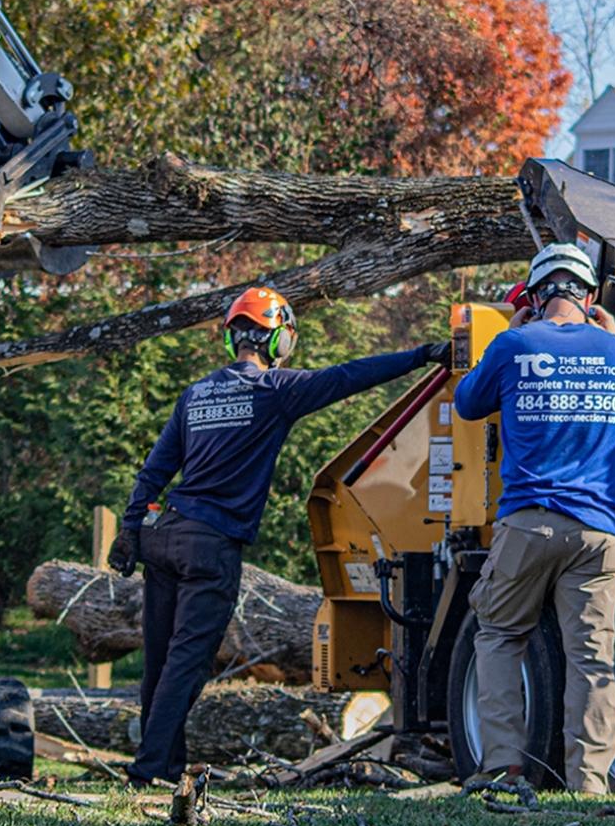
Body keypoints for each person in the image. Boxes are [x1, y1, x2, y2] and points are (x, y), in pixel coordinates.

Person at [110, 286, 449, 786]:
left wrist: (129, 527)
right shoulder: (274, 390)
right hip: (210, 544)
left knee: (159, 662)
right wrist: (420, 356)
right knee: (187, 662)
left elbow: (155, 470)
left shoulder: (196, 394)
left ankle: (163, 764)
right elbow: (347, 377)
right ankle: (151, 770)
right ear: (279, 342)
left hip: (163, 537)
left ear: (233, 340)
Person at [452, 243, 615, 796]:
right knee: (593, 658)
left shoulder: (514, 344)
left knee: (500, 635)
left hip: (527, 525)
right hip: (599, 532)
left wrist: (512, 332)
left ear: (532, 296)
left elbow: (467, 403)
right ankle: (589, 783)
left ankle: (503, 768)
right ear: (591, 296)